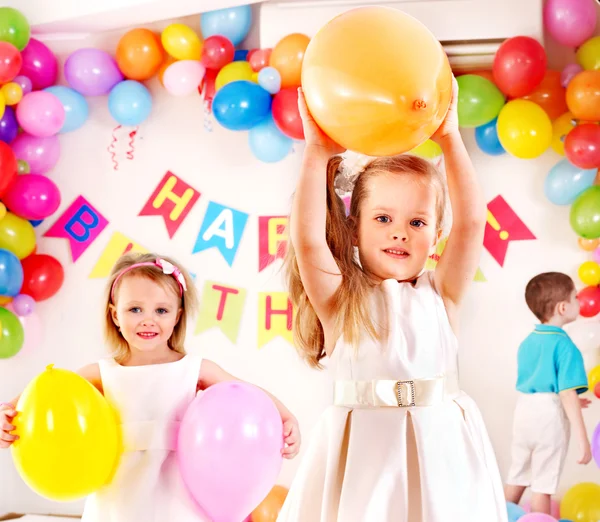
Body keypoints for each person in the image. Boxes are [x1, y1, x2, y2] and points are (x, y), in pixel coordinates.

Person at [277, 79, 507, 522]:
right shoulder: (341, 299)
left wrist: (449, 137)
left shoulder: (443, 295)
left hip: (442, 453)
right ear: (355, 226)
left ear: (436, 234)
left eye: (417, 221)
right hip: (367, 459)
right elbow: (307, 241)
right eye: (383, 218)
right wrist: (316, 152)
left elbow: (473, 220)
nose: (400, 232)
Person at [1, 252, 300, 522]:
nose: (148, 320)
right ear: (115, 314)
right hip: (119, 496)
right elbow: (42, 394)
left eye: (161, 310)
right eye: (134, 310)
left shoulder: (194, 368)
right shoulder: (104, 372)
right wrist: (8, 414)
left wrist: (286, 418)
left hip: (178, 496)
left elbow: (249, 394)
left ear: (177, 316)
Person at [504, 272, 591, 514]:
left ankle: (499, 516)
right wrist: (584, 441)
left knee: (518, 474)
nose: (579, 302)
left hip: (524, 412)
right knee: (543, 483)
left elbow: (542, 382)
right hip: (549, 418)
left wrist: (569, 398)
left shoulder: (528, 341)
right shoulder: (565, 346)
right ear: (563, 307)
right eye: (576, 297)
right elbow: (565, 394)